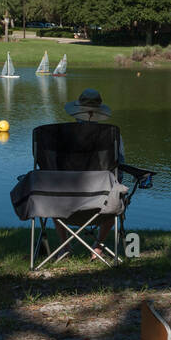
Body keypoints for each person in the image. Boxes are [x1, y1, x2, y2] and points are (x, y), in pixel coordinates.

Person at [58, 88, 125, 257]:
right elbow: (120, 167)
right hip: (102, 204)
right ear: (99, 113)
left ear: (76, 111)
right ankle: (98, 247)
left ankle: (64, 248)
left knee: (52, 190)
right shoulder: (112, 137)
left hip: (63, 204)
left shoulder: (61, 136)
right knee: (117, 192)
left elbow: (51, 169)